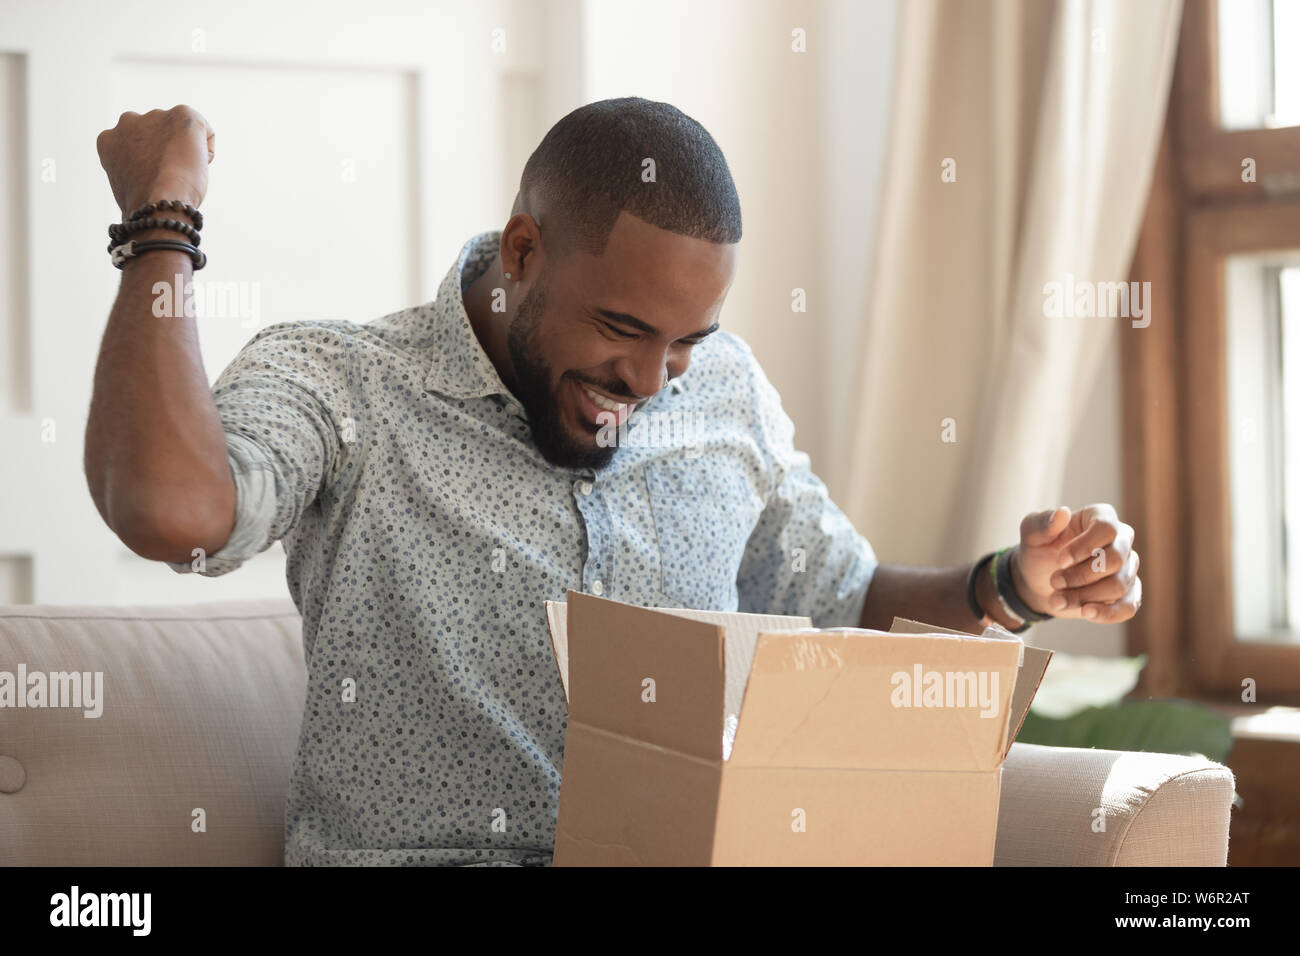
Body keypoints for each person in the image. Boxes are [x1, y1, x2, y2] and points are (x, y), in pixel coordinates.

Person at [86, 97, 1141, 866]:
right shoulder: (345, 379)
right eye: (623, 328)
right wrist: (162, 223)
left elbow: (845, 596)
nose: (648, 381)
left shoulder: (721, 393)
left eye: (686, 340)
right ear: (523, 250)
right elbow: (171, 513)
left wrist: (1008, 584)